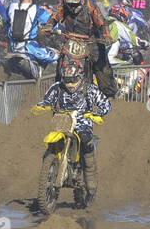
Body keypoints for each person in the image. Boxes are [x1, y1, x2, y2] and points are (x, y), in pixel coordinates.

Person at [34, 60, 111, 198]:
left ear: (80, 76)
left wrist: (96, 114)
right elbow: (47, 100)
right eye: (67, 79)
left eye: (73, 79)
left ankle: (91, 184)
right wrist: (42, 106)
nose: (69, 83)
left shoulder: (89, 88)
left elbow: (106, 104)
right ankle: (49, 171)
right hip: (61, 120)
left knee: (86, 141)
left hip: (82, 122)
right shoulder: (57, 87)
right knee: (50, 145)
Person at [48, 0, 115, 94]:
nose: (72, 7)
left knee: (102, 67)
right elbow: (55, 16)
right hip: (71, 38)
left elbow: (102, 22)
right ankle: (58, 91)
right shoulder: (64, 6)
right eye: (70, 4)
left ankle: (109, 94)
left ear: (82, 0)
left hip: (91, 39)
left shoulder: (91, 5)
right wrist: (49, 26)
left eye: (75, 4)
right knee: (61, 60)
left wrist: (106, 35)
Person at [4, 0, 57, 78]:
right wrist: (60, 28)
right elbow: (53, 22)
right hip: (29, 47)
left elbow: (5, 23)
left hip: (12, 48)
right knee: (55, 57)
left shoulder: (10, 8)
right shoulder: (38, 10)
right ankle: (41, 76)